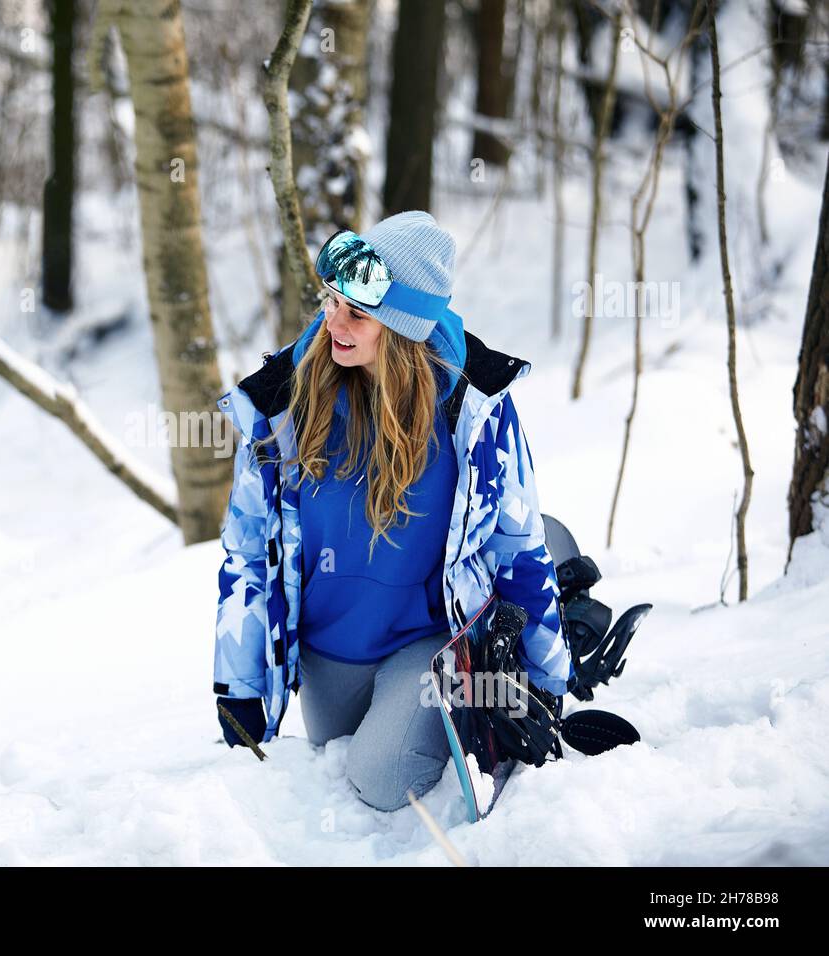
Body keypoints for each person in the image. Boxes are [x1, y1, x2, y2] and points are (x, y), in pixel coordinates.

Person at [211, 211, 575, 813]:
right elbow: (248, 551)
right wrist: (241, 693)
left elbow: (514, 542)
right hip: (331, 659)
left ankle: (561, 601)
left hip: (427, 643)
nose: (333, 322)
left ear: (402, 328)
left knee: (380, 777)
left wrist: (546, 682)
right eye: (331, 302)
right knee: (338, 751)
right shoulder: (285, 405)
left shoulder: (470, 409)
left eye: (357, 313)